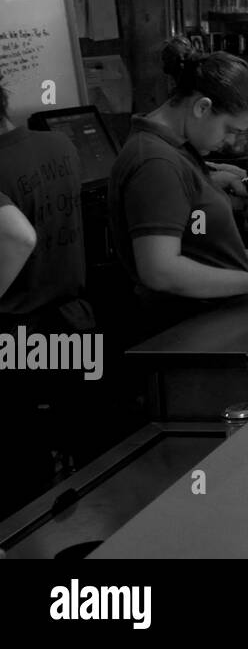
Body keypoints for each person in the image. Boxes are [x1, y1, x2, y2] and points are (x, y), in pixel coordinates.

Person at [109, 39, 248, 326]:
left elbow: (195, 247)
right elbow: (161, 269)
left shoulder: (179, 148)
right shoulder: (155, 162)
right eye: (230, 129)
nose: (230, 142)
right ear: (202, 107)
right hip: (187, 329)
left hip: (217, 319)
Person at [0, 77, 89, 517]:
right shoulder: (61, 147)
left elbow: (18, 237)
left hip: (17, 339)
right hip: (76, 321)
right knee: (80, 456)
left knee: (22, 472)